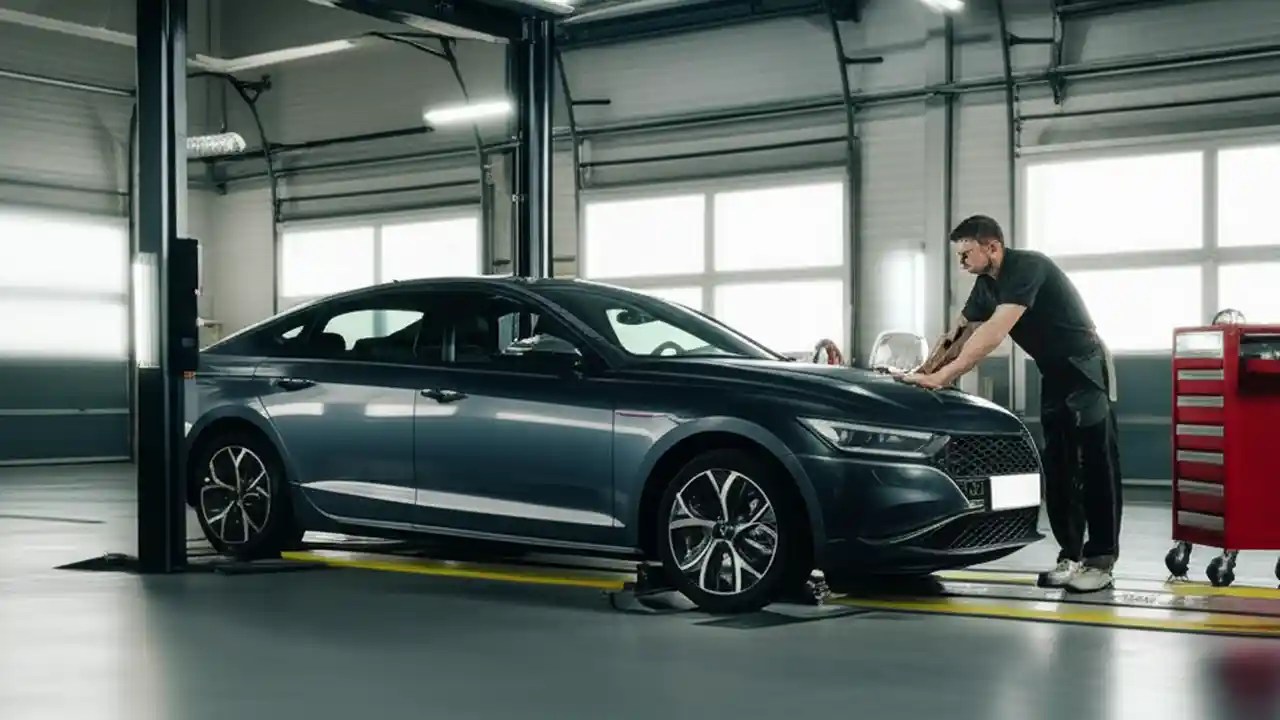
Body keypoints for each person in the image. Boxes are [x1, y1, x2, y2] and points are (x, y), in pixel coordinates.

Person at [901, 214, 1123, 593]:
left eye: (966, 253)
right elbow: (957, 332)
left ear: (992, 247)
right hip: (1053, 373)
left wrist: (945, 377)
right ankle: (1070, 555)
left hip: (1085, 368)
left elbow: (991, 334)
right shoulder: (985, 285)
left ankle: (1100, 561)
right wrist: (922, 371)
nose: (962, 262)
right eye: (959, 255)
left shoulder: (1028, 268)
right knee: (1058, 465)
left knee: (1096, 464)